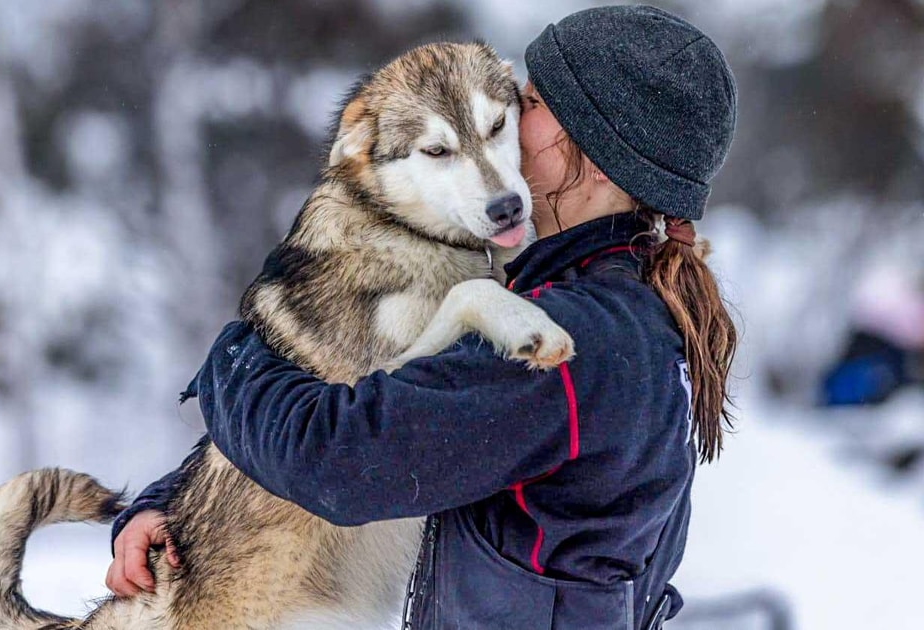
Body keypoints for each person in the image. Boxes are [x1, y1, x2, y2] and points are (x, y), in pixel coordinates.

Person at [106, 5, 738, 628]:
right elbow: (377, 391)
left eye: (536, 102)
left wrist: (234, 358)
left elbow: (338, 457)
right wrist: (170, 504)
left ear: (599, 155)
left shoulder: (569, 340)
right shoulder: (613, 304)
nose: (515, 111)